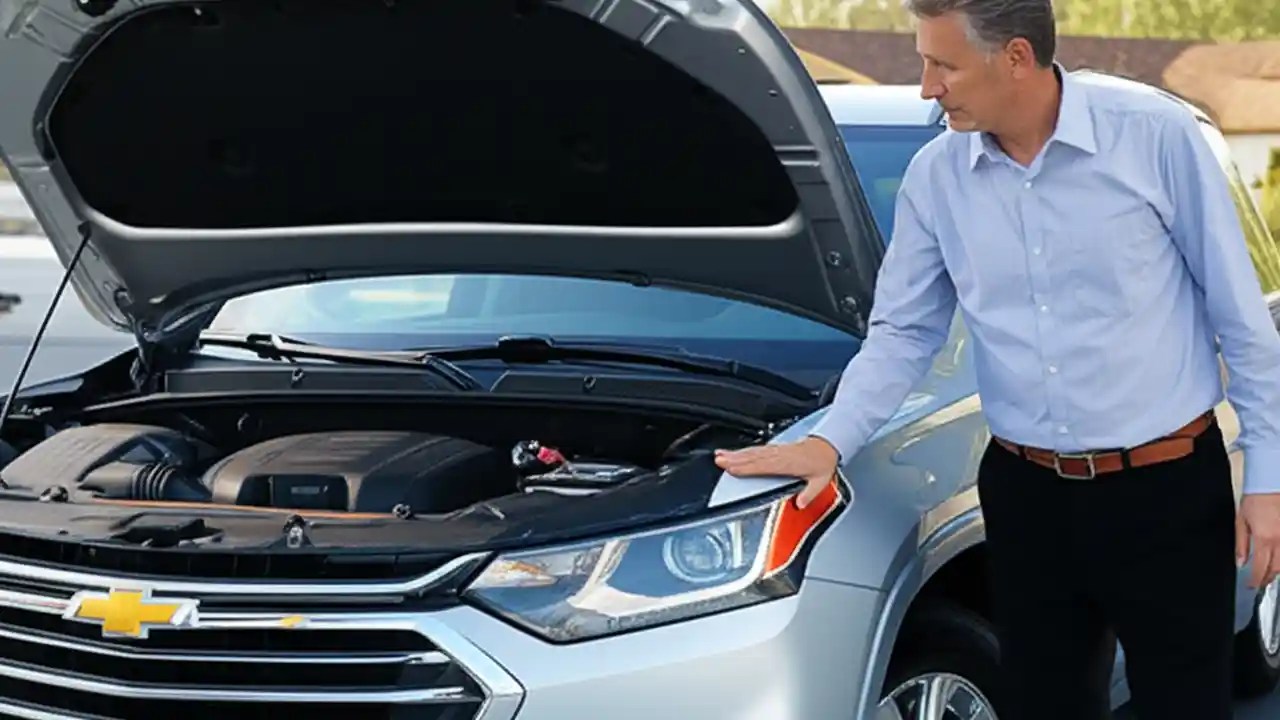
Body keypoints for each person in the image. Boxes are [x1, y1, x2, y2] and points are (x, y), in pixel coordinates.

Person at [714, 1, 1280, 718]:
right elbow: (903, 333)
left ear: (1016, 56)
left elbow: (1242, 320)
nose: (927, 86)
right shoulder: (936, 179)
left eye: (943, 64)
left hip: (1164, 492)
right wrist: (828, 438)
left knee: (1184, 705)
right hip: (1026, 495)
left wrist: (1269, 481)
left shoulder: (1154, 138)